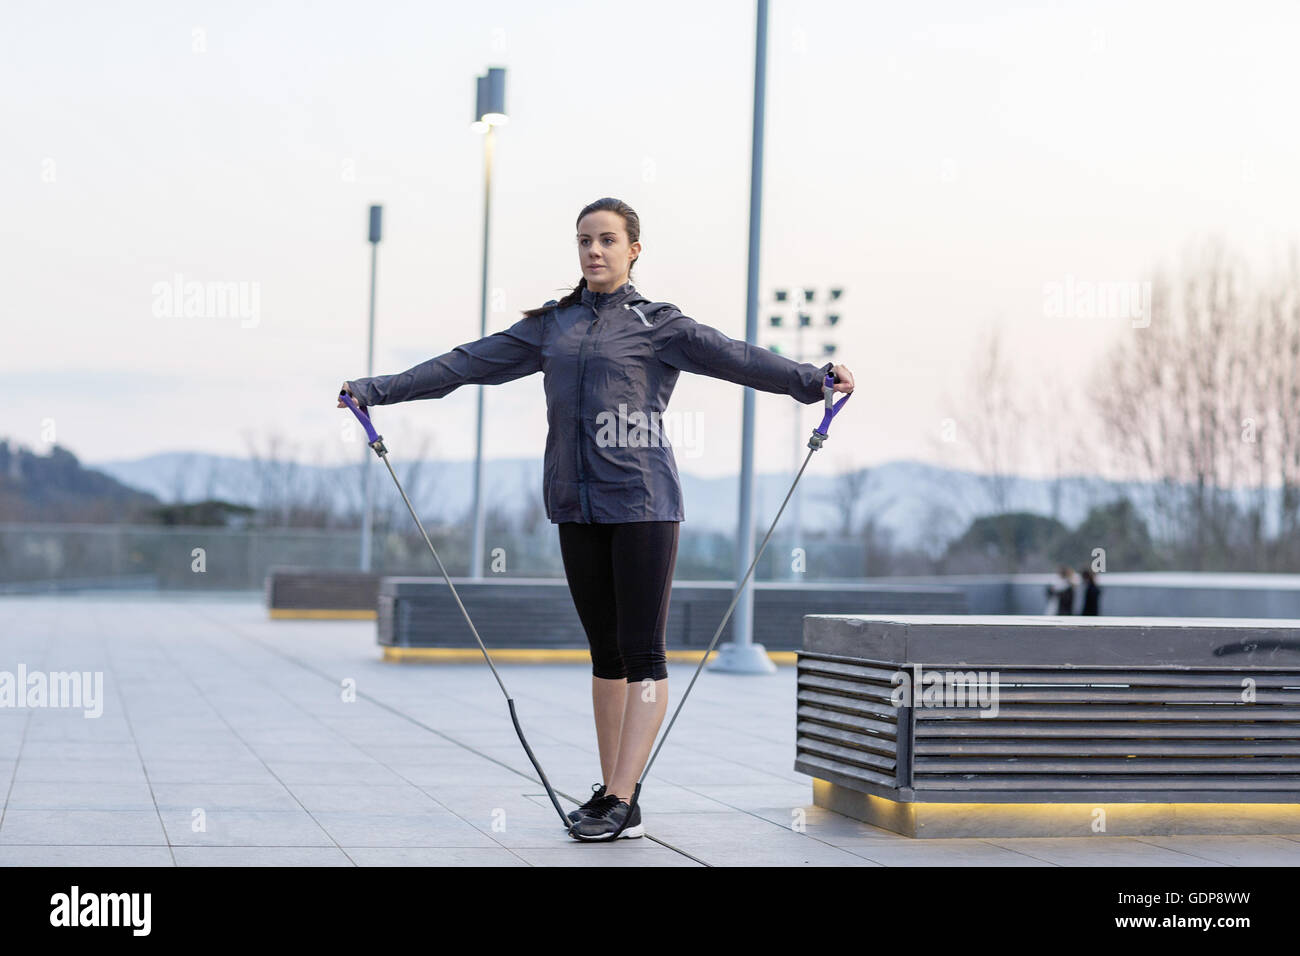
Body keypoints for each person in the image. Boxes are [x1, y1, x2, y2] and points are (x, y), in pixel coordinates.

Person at [338, 197, 854, 841]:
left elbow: (736, 357)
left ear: (633, 249)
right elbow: (464, 364)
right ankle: (611, 793)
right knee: (604, 655)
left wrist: (814, 379)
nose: (594, 251)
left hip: (641, 503)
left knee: (643, 653)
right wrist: (375, 388)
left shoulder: (658, 324)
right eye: (584, 240)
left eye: (607, 240)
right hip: (574, 504)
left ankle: (625, 794)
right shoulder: (552, 327)